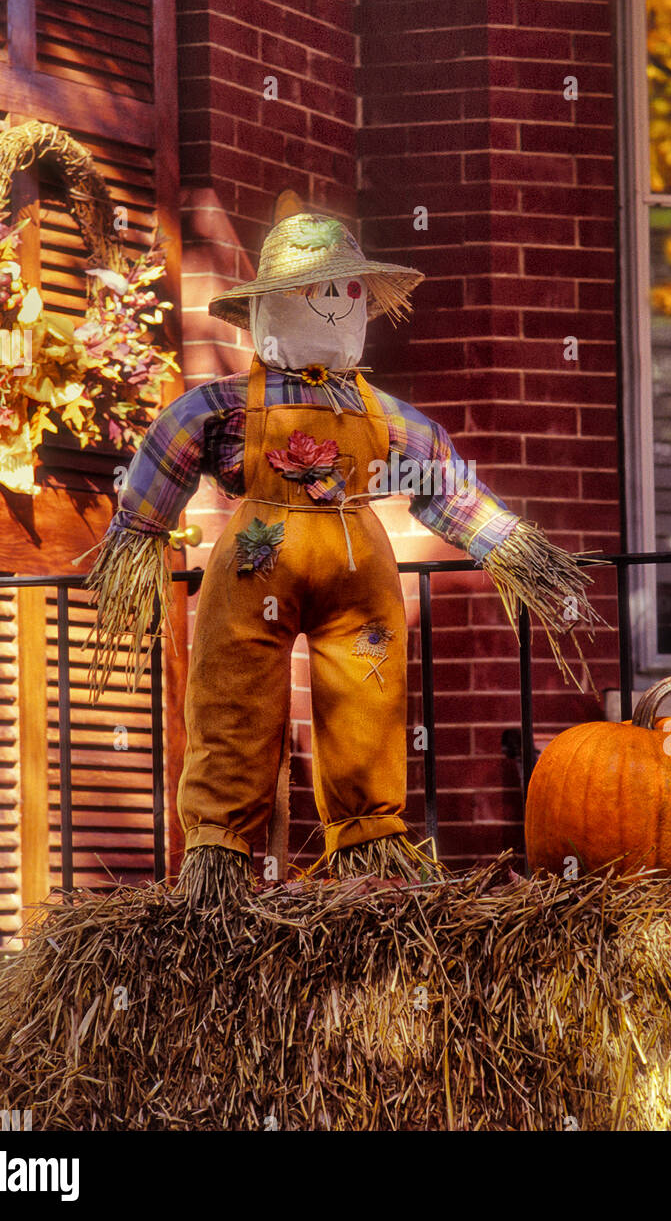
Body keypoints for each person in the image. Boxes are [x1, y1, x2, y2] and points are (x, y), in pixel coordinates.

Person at [84, 191, 597, 899]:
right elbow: (171, 441)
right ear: (271, 306)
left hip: (362, 581)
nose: (331, 304)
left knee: (370, 704)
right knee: (232, 700)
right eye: (311, 291)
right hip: (255, 567)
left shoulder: (384, 414)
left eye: (343, 290)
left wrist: (511, 548)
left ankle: (370, 855)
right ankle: (219, 858)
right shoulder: (229, 404)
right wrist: (135, 539)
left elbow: (444, 485)